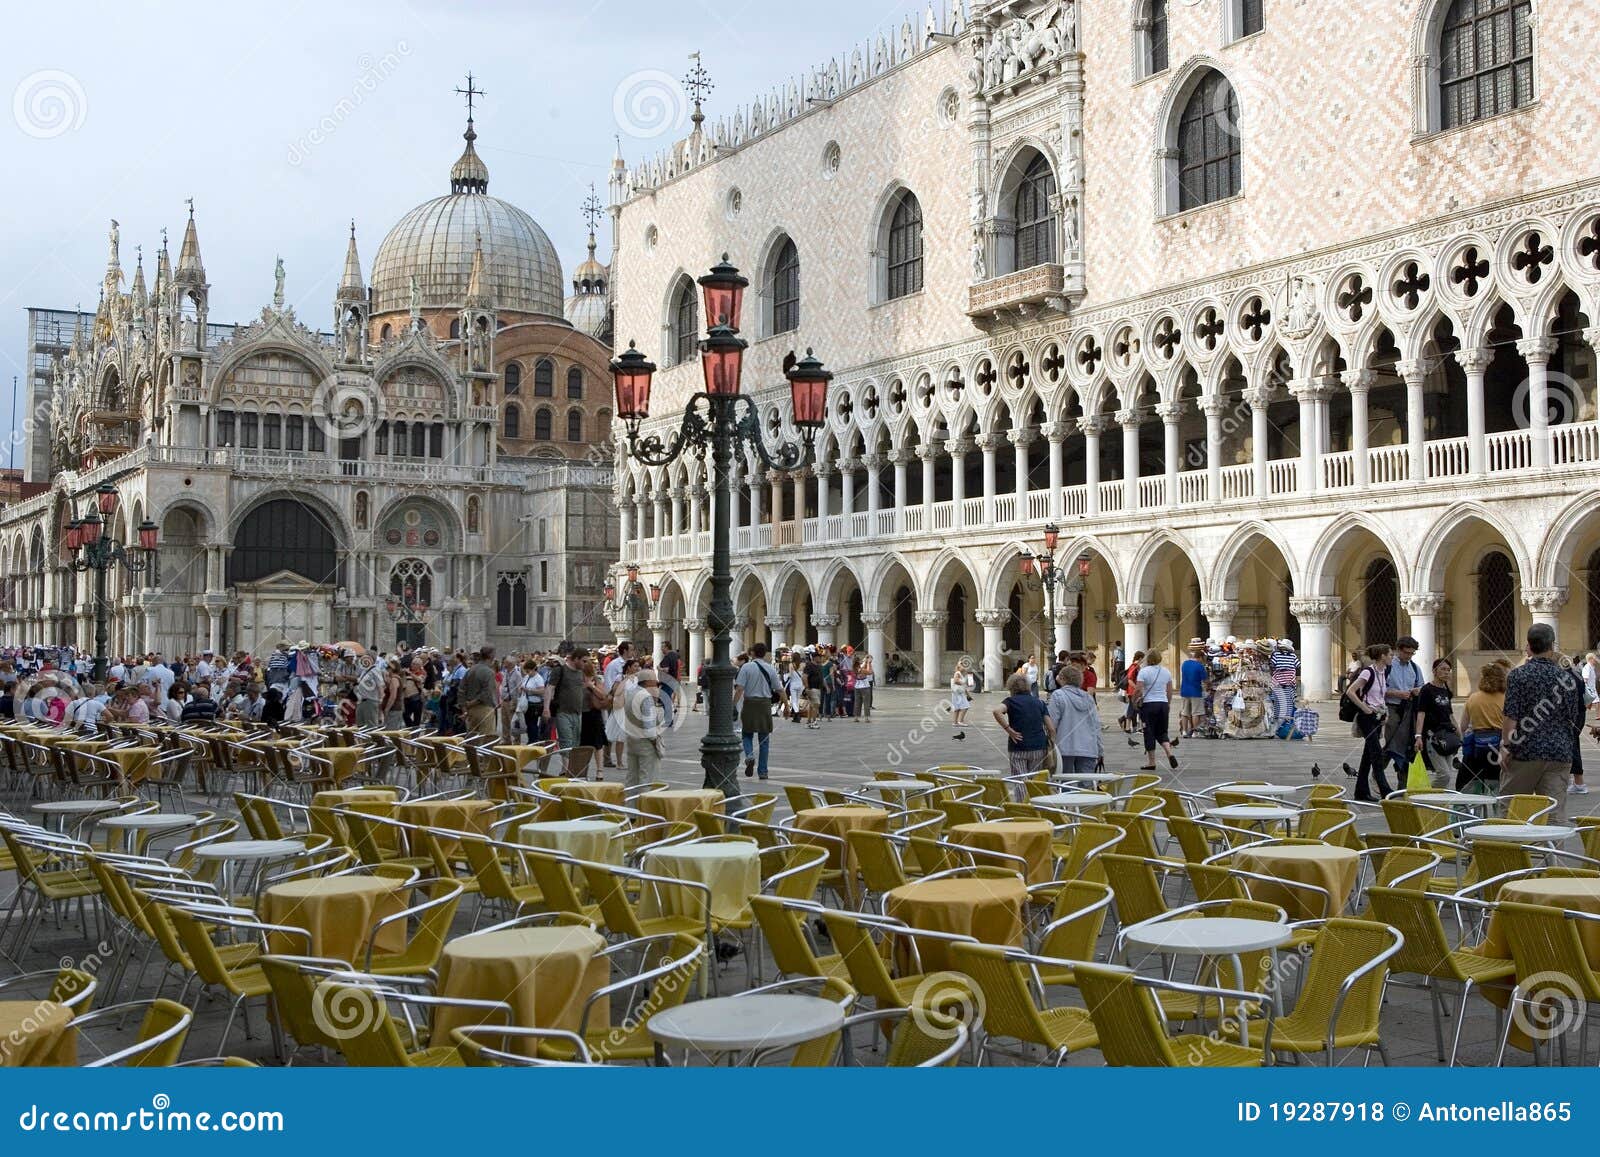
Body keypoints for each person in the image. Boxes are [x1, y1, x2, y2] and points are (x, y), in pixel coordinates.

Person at [1502, 623, 1586, 821]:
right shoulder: (1567, 678)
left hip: (1524, 751)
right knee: (1554, 813)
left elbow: (1511, 716)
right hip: (1559, 751)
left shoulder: (1518, 675)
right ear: (1552, 645)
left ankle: (1511, 841)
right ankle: (1553, 842)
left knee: (1512, 809)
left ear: (1529, 645)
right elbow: (1573, 717)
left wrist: (1505, 745)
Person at [1342, 644, 1393, 801]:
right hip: (1367, 718)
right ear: (1382, 656)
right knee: (1376, 753)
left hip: (1378, 716)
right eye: (1390, 654)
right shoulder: (1368, 672)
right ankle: (1385, 790)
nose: (1392, 657)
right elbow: (1350, 691)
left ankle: (1361, 791)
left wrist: (1385, 713)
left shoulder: (1384, 672)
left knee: (1368, 755)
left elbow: (1380, 696)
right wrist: (1365, 708)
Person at [733, 643, 782, 781]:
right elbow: (779, 689)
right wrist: (787, 706)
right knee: (764, 739)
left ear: (753, 653)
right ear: (765, 653)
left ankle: (749, 756)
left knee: (747, 733)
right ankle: (763, 771)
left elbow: (739, 689)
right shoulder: (770, 668)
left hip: (750, 703)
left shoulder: (746, 667)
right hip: (765, 704)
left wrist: (733, 704)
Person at [1383, 636, 1424, 790]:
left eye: (1412, 653)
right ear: (1398, 650)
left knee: (1407, 745)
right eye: (1406, 653)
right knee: (1393, 741)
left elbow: (1422, 686)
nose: (1409, 656)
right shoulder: (1388, 666)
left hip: (1408, 709)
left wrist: (1416, 691)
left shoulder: (1414, 668)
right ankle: (1379, 769)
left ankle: (1403, 782)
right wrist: (1397, 693)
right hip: (1392, 707)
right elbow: (1379, 689)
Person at [1457, 662, 1505, 792]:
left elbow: (1463, 726)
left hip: (1477, 748)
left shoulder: (1473, 698)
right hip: (1498, 748)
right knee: (1497, 786)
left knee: (1474, 784)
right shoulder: (1506, 698)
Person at [1412, 658, 1459, 789]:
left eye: (1448, 670)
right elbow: (1421, 714)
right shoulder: (1426, 690)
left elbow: (1450, 714)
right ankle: (1424, 795)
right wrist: (1418, 736)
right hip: (1433, 737)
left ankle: (1438, 800)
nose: (1446, 672)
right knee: (1444, 775)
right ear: (1434, 671)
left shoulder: (1446, 691)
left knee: (1447, 774)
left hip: (1447, 736)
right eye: (1443, 669)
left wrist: (1459, 732)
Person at [1047, 664, 1104, 773]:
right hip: (1088, 748)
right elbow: (1096, 726)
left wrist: (1050, 744)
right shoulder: (1088, 698)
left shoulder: (1058, 695)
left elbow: (1052, 724)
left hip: (1065, 748)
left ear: (1063, 678)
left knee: (1066, 781)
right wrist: (1100, 750)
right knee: (1086, 782)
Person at [994, 672, 1051, 777]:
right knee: (1035, 780)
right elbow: (1051, 728)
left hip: (1018, 746)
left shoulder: (1010, 701)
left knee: (1020, 781)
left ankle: (1021, 789)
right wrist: (1051, 742)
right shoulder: (1039, 703)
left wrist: (1008, 729)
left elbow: (997, 711)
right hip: (1038, 746)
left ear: (1011, 687)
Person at [1132, 647, 1178, 771]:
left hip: (1149, 705)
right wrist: (1168, 704)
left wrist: (1134, 701)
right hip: (1163, 704)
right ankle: (1169, 753)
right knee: (1162, 732)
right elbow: (1169, 691)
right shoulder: (1166, 672)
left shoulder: (1144, 672)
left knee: (1149, 732)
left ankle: (1151, 762)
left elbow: (1138, 689)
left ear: (1148, 658)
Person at [621, 667, 665, 789]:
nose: (657, 683)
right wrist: (655, 742)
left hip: (631, 740)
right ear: (648, 682)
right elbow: (649, 727)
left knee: (632, 777)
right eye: (655, 681)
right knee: (647, 778)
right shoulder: (646, 697)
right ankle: (644, 800)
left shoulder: (630, 693)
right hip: (645, 743)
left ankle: (630, 800)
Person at [543, 646, 590, 757]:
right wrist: (546, 708)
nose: (585, 664)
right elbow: (550, 688)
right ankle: (566, 766)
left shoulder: (581, 672)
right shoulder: (560, 670)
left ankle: (571, 765)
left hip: (578, 713)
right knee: (566, 742)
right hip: (563, 712)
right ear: (576, 659)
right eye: (583, 661)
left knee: (575, 743)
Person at [457, 647, 500, 738]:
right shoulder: (489, 672)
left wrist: (464, 708)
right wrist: (473, 703)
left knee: (472, 739)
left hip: (470, 710)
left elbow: (461, 690)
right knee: (486, 739)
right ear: (491, 656)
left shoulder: (470, 670)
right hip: (485, 708)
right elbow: (487, 693)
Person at [1178, 641, 1208, 739]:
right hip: (1196, 691)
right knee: (1196, 712)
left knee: (1184, 712)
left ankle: (1184, 731)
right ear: (1200, 657)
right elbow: (1205, 680)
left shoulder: (1185, 664)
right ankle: (1195, 732)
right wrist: (1208, 686)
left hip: (1184, 691)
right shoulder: (1200, 666)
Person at [949, 658, 974, 740]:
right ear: (959, 666)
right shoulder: (957, 673)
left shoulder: (962, 674)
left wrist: (968, 695)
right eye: (963, 666)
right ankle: (960, 721)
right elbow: (955, 681)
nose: (965, 667)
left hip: (958, 693)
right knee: (965, 706)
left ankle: (955, 722)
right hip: (958, 693)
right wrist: (964, 682)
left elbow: (965, 687)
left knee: (957, 708)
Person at [854, 653, 875, 721]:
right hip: (864, 686)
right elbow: (869, 672)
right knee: (866, 702)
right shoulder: (861, 669)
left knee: (857, 702)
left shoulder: (854, 668)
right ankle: (866, 717)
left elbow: (862, 666)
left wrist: (865, 662)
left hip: (857, 687)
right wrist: (868, 663)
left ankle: (856, 717)